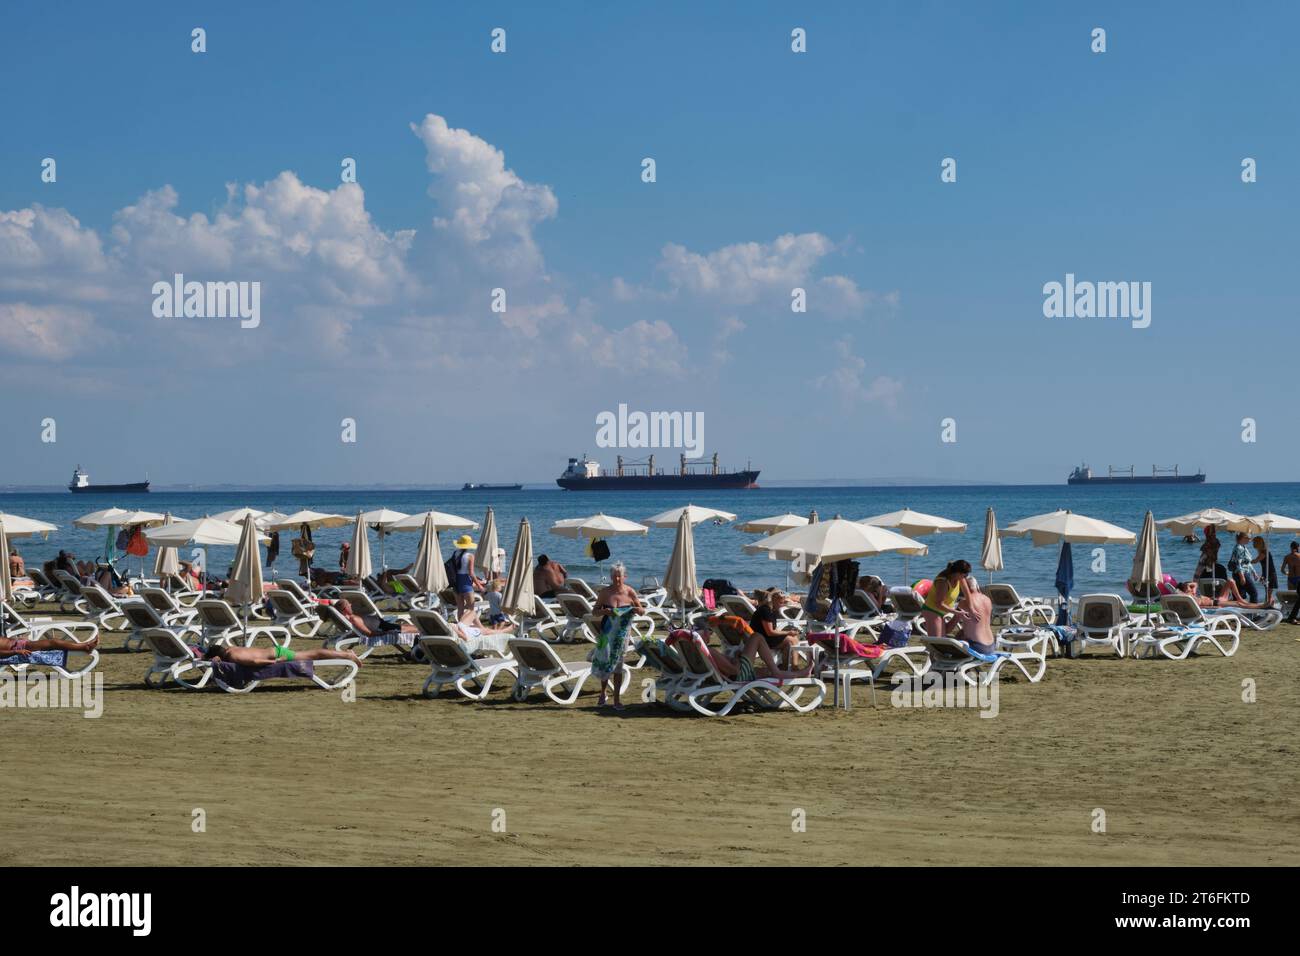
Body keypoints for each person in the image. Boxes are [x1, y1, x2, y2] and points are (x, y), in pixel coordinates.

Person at [590, 563, 644, 709]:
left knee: (618, 665)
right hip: (606, 632)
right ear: (611, 576)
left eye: (619, 576)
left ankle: (617, 699)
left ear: (624, 576)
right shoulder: (605, 592)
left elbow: (642, 611)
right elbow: (594, 611)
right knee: (604, 662)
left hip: (622, 634)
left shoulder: (630, 592)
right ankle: (602, 693)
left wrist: (635, 609)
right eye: (614, 576)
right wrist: (606, 612)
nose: (617, 578)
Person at [748, 589, 800, 667]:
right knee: (793, 640)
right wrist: (788, 632)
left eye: (783, 603)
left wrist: (788, 633)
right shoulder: (765, 610)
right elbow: (770, 632)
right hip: (762, 640)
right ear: (774, 600)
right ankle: (795, 666)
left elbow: (771, 630)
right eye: (781, 603)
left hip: (764, 637)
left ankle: (784, 667)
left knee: (789, 642)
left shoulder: (771, 609)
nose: (782, 605)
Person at [921, 560, 971, 637]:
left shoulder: (960, 579)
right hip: (932, 610)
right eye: (965, 575)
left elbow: (967, 594)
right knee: (937, 640)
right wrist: (956, 612)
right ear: (958, 573)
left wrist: (972, 609)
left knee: (946, 632)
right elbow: (939, 604)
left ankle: (931, 627)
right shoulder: (943, 582)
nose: (966, 577)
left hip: (943, 611)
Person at [203, 642, 361, 666]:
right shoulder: (230, 648)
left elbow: (256, 662)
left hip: (278, 654)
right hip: (273, 650)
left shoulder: (233, 656)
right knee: (313, 654)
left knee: (315, 654)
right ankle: (346, 654)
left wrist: (276, 661)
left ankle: (348, 655)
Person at [950, 577, 996, 655]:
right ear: (977, 586)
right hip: (991, 646)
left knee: (956, 638)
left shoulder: (964, 603)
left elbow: (950, 626)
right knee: (962, 633)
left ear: (964, 589)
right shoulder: (988, 600)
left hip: (978, 647)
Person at [335, 598, 416, 637]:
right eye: (349, 604)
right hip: (381, 627)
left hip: (379, 623)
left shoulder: (347, 618)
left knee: (404, 626)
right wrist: (385, 633)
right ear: (345, 609)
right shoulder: (353, 619)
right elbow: (369, 633)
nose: (351, 605)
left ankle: (422, 629)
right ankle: (423, 630)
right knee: (405, 629)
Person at [448, 535, 482, 619]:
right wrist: (479, 585)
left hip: (456, 581)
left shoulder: (455, 553)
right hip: (465, 582)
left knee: (460, 608)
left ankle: (461, 624)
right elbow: (471, 573)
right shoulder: (470, 556)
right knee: (471, 609)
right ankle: (465, 625)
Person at [1177, 580, 1266, 609]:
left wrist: (1189, 586)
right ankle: (1261, 606)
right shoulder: (1190, 598)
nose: (1191, 589)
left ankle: (1240, 598)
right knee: (1239, 604)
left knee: (1230, 581)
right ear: (1184, 591)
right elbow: (1203, 607)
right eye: (1188, 588)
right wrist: (1188, 591)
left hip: (1218, 599)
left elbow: (1195, 584)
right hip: (1217, 604)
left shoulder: (1192, 594)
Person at [1227, 532, 1261, 604]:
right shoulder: (1239, 548)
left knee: (1241, 595)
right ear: (1243, 538)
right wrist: (1242, 576)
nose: (1250, 540)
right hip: (1241, 573)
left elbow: (1247, 562)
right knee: (1253, 593)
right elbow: (1238, 563)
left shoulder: (1243, 547)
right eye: (1248, 538)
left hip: (1242, 573)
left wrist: (1254, 573)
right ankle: (1253, 613)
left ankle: (1240, 613)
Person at [1, 633, 99, 655]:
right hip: (20, 647)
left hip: (18, 643)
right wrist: (16, 652)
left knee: (53, 643)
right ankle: (85, 646)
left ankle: (84, 646)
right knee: (53, 642)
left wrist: (16, 639)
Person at [1252, 537, 1278, 605]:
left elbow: (1255, 561)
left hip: (1270, 574)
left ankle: (1269, 608)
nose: (1253, 544)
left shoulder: (1264, 552)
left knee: (1268, 594)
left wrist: (1246, 561)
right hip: (1266, 573)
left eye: (1254, 542)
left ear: (1258, 543)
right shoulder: (1262, 551)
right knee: (1268, 593)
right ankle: (1270, 607)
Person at [1282, 542, 1300, 625]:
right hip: (1299, 578)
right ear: (1298, 547)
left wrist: (1287, 573)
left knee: (1292, 598)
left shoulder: (1287, 557)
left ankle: (1292, 616)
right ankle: (1293, 617)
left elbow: (1282, 569)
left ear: (1290, 547)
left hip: (1290, 579)